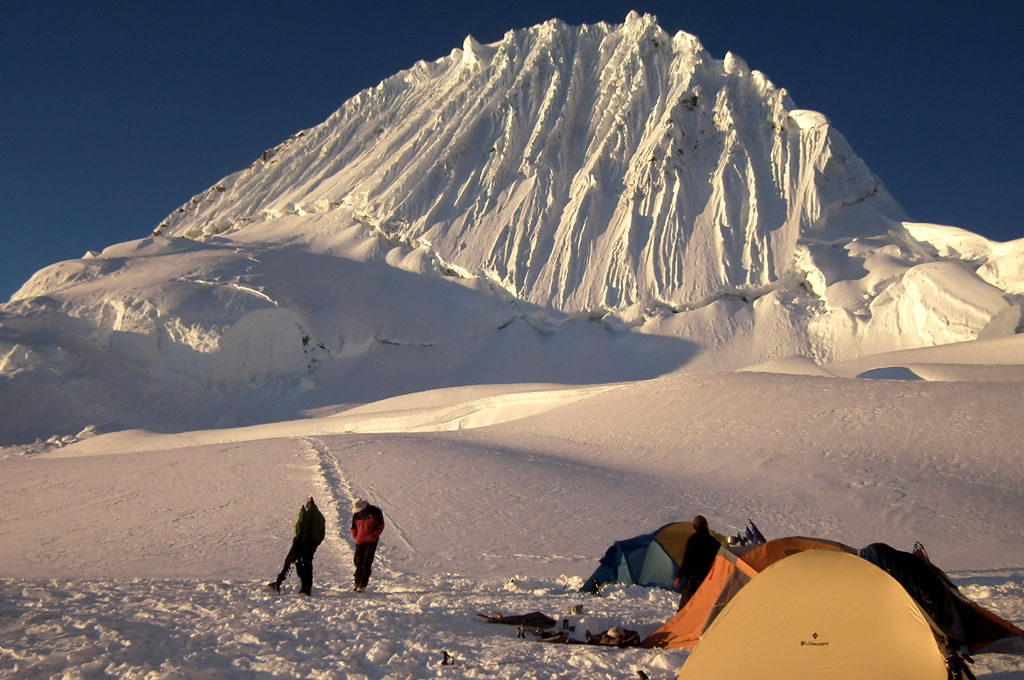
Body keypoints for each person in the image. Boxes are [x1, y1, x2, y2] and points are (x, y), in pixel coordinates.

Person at [268, 497, 326, 596]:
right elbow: (322, 533)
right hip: (312, 543)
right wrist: (316, 543)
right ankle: (306, 587)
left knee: (290, 561)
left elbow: (301, 525)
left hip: (301, 541)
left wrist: (299, 538)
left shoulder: (305, 511)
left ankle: (278, 583)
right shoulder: (320, 517)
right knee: (307, 564)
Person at [673, 514, 721, 609]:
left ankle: (681, 623)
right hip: (709, 578)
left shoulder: (692, 540)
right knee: (705, 604)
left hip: (694, 579)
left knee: (686, 606)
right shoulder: (713, 542)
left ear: (694, 527)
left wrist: (679, 576)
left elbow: (687, 559)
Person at [350, 497, 385, 592]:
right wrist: (355, 537)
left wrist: (374, 535)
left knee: (366, 563)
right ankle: (357, 582)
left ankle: (363, 584)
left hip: (371, 542)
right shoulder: (356, 515)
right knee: (358, 563)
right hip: (360, 541)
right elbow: (353, 527)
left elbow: (381, 525)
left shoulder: (375, 511)